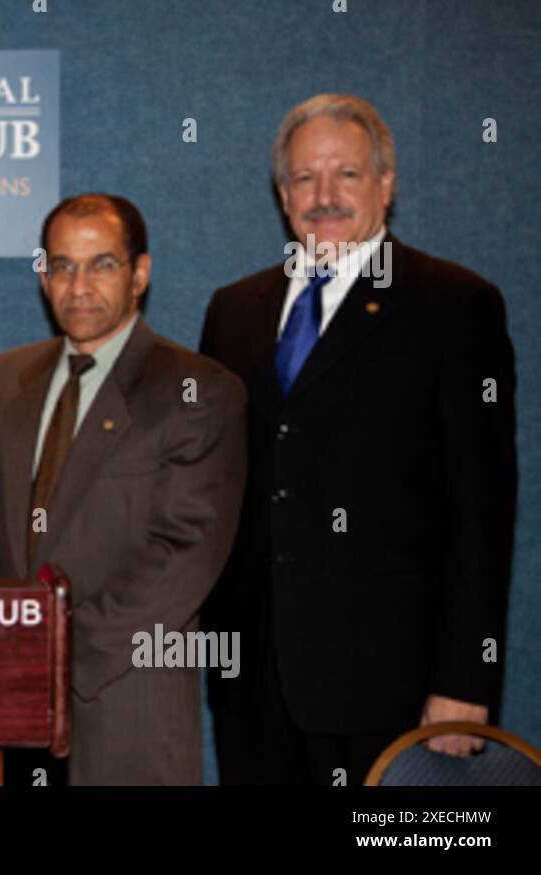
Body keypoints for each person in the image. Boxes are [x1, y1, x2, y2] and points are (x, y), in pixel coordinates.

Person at [200, 94, 517, 785]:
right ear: (282, 194)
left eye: (345, 174)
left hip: (392, 686)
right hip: (255, 683)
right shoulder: (236, 309)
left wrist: (464, 681)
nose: (324, 196)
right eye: (304, 178)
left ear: (386, 183)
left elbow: (482, 510)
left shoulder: (455, 305)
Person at [0, 193, 247, 785]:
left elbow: (182, 556)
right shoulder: (1, 379)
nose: (78, 285)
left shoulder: (197, 389)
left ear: (140, 274)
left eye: (101, 264)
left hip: (127, 704)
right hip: (7, 712)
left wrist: (55, 655)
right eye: (62, 266)